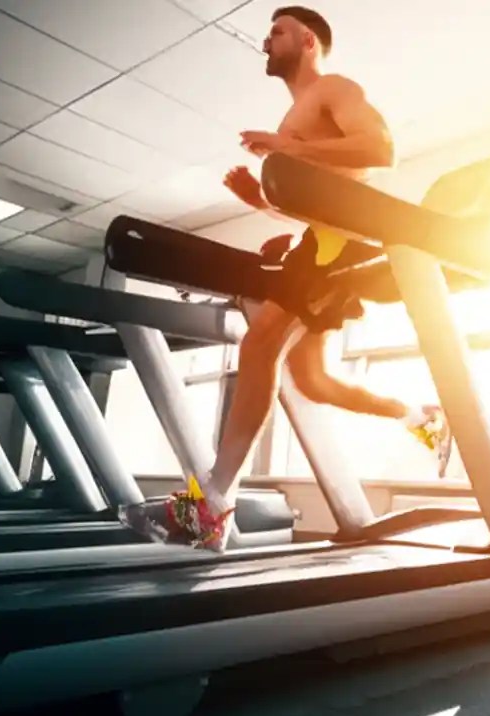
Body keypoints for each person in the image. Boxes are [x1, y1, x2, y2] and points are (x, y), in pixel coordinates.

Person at [121, 6, 452, 552]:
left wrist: (289, 151)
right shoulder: (295, 115)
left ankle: (213, 504)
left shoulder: (333, 89)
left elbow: (381, 149)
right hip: (321, 241)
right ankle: (420, 415)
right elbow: (319, 201)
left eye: (276, 32)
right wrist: (262, 202)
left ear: (307, 41)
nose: (266, 41)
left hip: (337, 246)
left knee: (259, 346)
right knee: (315, 382)